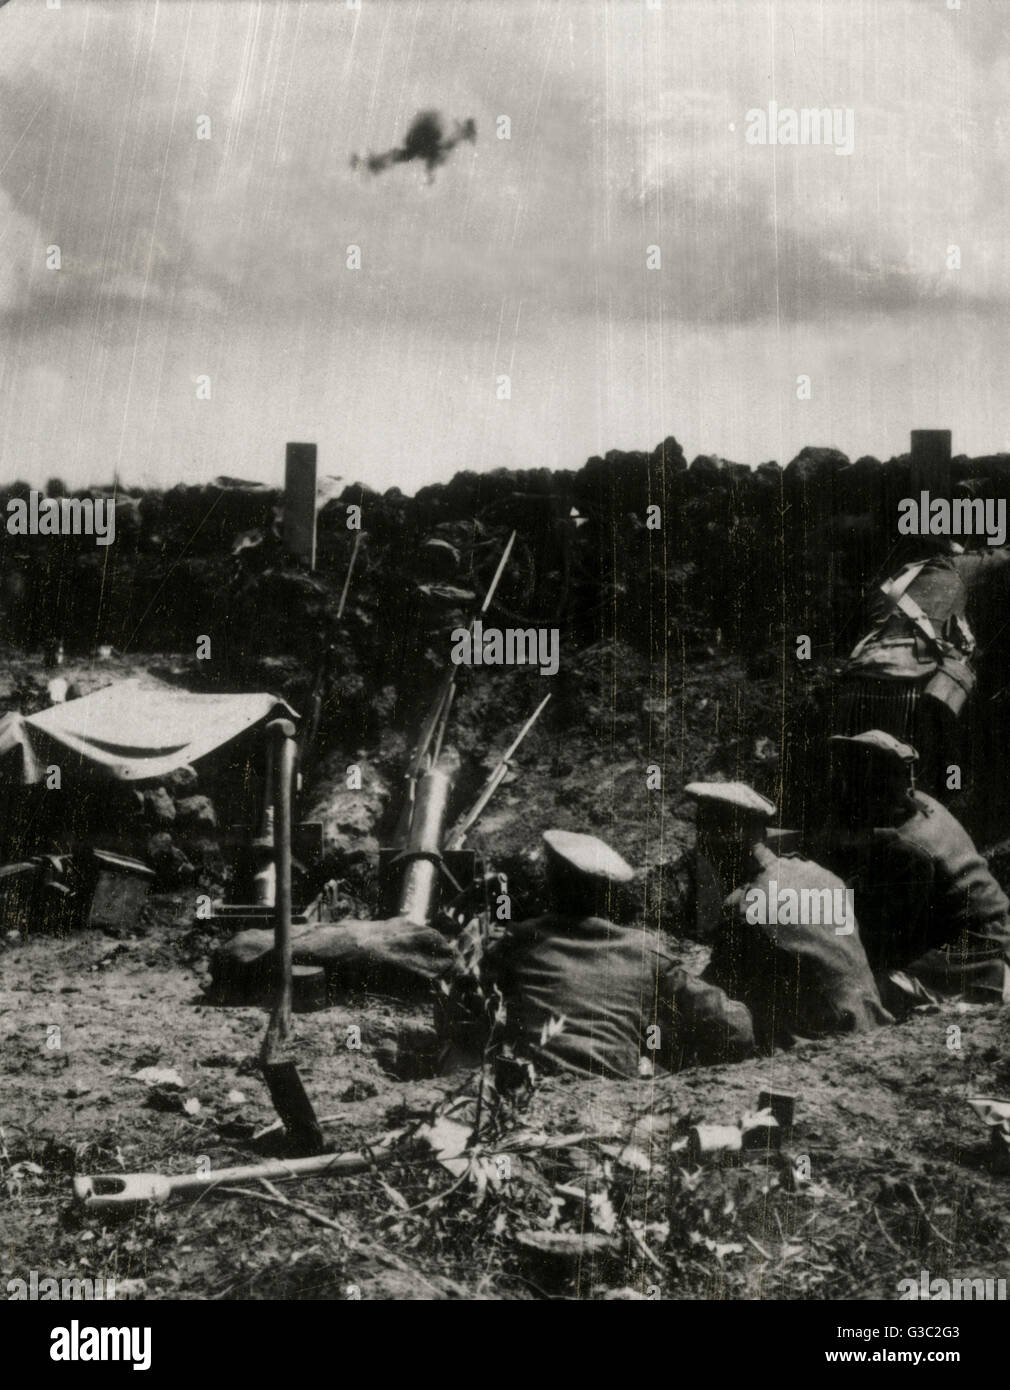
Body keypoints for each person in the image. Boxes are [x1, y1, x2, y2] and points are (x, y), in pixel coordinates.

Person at [481, 828, 755, 1079]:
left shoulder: (519, 940)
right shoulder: (644, 950)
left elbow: (476, 999)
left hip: (533, 1087)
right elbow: (735, 1026)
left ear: (552, 885)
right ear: (610, 895)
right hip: (614, 1094)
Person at [692, 781, 893, 1049]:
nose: (702, 844)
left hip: (824, 1039)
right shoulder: (818, 873)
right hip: (870, 1016)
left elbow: (716, 984)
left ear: (720, 841)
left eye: (705, 832)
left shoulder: (744, 905)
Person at [820, 730, 1010, 1008]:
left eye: (856, 776)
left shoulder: (908, 849)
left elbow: (891, 939)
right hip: (994, 928)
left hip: (978, 945)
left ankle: (988, 978)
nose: (847, 785)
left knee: (874, 985)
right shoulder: (923, 803)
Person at [837, 535, 1010, 795]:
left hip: (858, 685)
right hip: (913, 685)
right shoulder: (953, 566)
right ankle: (948, 796)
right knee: (919, 781)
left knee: (863, 778)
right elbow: (1002, 557)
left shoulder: (891, 585)